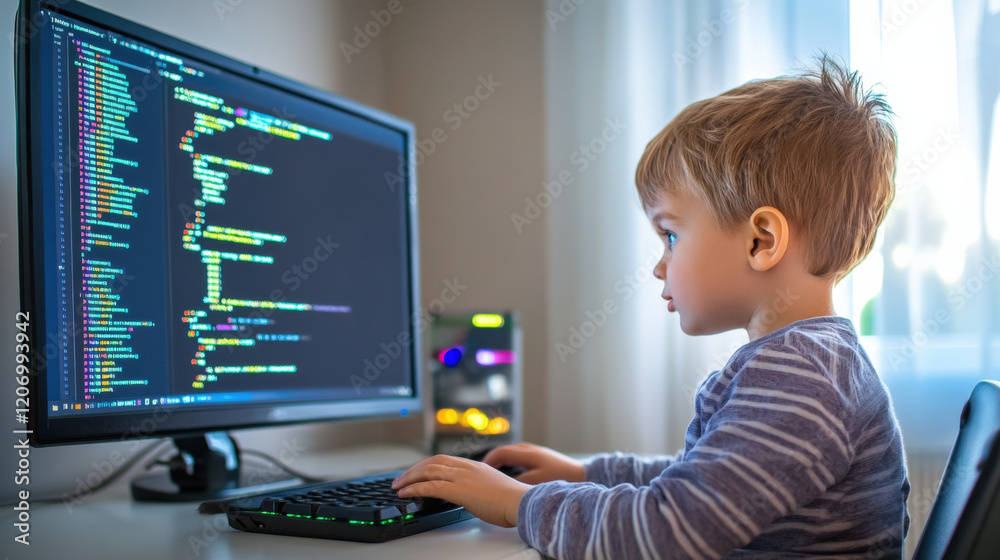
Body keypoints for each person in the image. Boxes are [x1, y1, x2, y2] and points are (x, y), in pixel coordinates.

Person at [392, 55, 910, 559]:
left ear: (761, 241)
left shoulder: (800, 373)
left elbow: (670, 529)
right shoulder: (813, 362)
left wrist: (517, 503)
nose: (660, 267)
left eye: (670, 235)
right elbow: (702, 481)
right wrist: (585, 473)